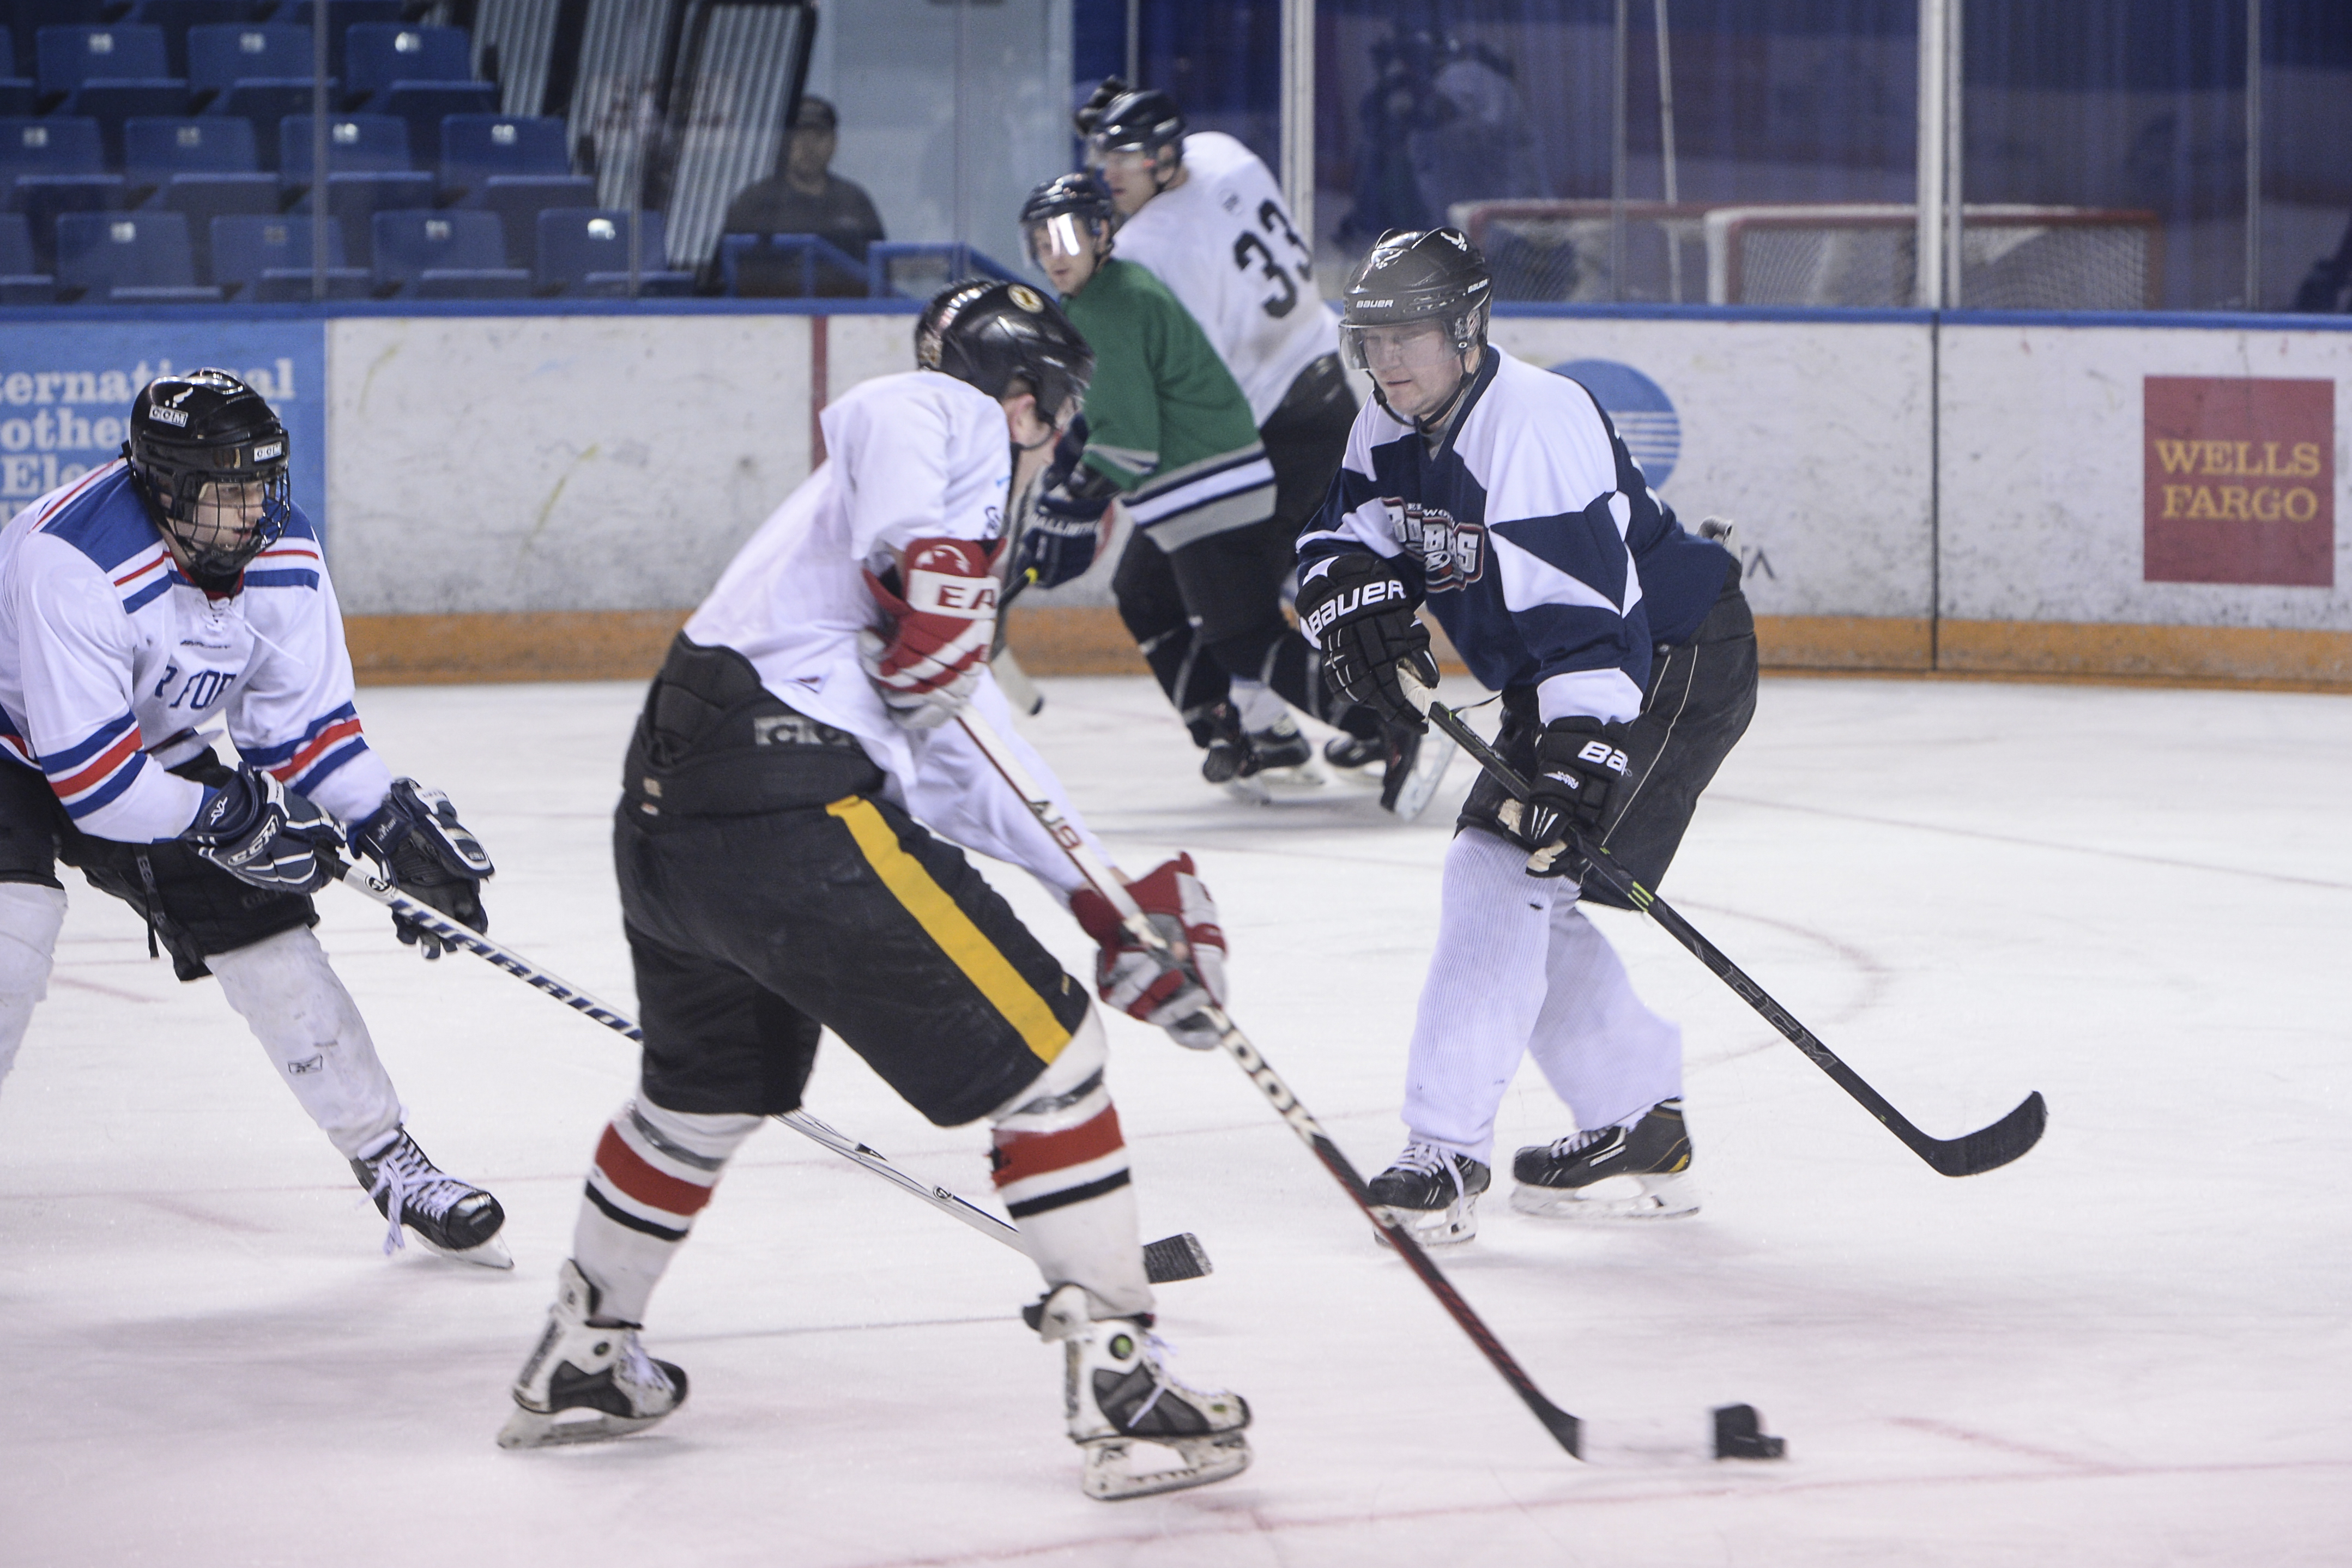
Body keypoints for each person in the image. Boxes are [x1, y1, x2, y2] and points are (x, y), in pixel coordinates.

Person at [498, 280, 1252, 1503]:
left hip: (673, 826)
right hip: (790, 811)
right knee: (1053, 1059)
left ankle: (583, 1353)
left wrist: (1106, 895)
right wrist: (946, 566)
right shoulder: (938, 425)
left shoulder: (887, 582)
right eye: (1052, 412)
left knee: (701, 1099)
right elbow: (890, 411)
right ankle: (1122, 1380)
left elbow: (967, 751)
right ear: (1022, 397)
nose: (1054, 441)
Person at [1294, 229, 1756, 1243]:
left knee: (1499, 873)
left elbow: (1597, 624)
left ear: (1466, 331)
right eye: (1374, 340)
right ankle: (1639, 1118)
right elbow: (1342, 535)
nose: (1388, 361)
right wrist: (1352, 601)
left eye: (1411, 335)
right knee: (1522, 890)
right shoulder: (1387, 416)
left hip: (1664, 659)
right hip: (1564, 671)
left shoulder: (1535, 423)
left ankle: (1447, 1150)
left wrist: (1582, 752)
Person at [0, 369, 509, 1266]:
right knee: (13, 929)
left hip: (138, 745)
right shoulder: (75, 559)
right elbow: (94, 786)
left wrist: (383, 820)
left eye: (259, 483)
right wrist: (227, 817)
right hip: (19, 742)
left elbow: (302, 731)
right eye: (221, 488)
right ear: (159, 484)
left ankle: (390, 1160)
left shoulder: (283, 552)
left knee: (268, 931)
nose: (248, 511)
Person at [1080, 84, 1451, 815]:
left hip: (1255, 440)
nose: (1106, 173)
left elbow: (1184, 386)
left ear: (1161, 157)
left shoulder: (1148, 251)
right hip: (1320, 397)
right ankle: (1260, 734)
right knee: (1148, 588)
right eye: (1102, 153)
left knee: (1234, 621)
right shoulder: (1222, 152)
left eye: (1122, 156)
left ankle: (1380, 724)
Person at [1016, 172, 1388, 787]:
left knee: (1240, 633)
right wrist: (1071, 479)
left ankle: (1378, 720)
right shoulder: (1100, 298)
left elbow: (1130, 443)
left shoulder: (1112, 301)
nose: (1052, 253)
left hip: (1210, 484)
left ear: (1101, 232)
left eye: (1064, 235)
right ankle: (1245, 732)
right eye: (1040, 240)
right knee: (1145, 594)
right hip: (1195, 484)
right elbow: (1115, 414)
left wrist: (1075, 503)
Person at [721, 95, 885, 293]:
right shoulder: (754, 202)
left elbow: (881, 275)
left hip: (848, 320)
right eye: (798, 136)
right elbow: (730, 278)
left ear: (834, 143)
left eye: (819, 137)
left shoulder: (855, 202)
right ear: (782, 143)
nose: (808, 147)